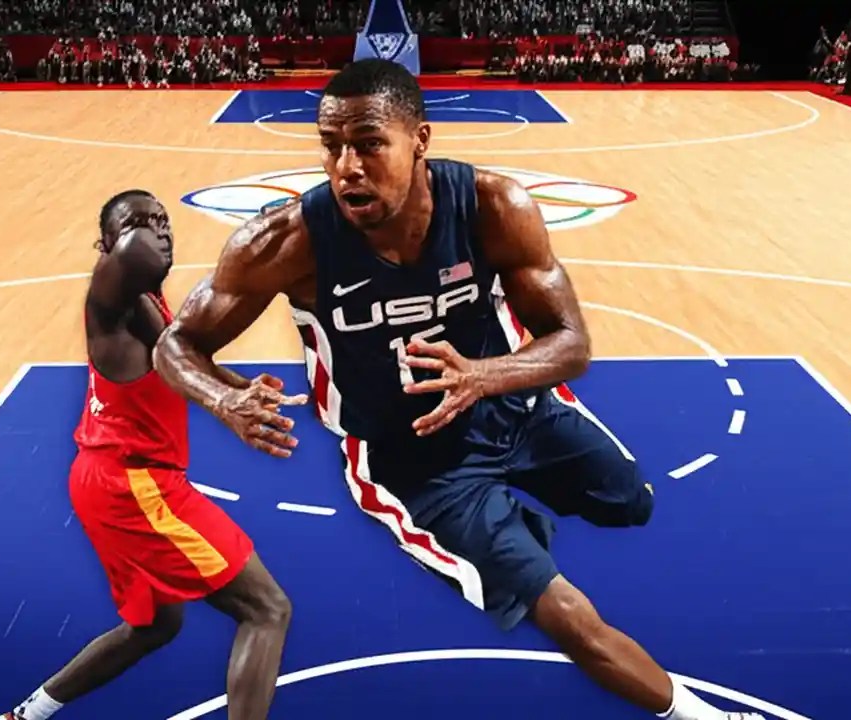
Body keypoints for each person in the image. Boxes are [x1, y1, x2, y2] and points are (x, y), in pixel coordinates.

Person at [154, 59, 762, 720]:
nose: (346, 167)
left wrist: (482, 377)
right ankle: (704, 715)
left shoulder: (494, 209)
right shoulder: (287, 241)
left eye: (368, 143)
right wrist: (224, 399)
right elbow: (176, 343)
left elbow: (570, 342)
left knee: (631, 503)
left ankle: (520, 516)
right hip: (413, 462)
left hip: (516, 409)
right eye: (332, 148)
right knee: (565, 615)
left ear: (421, 139)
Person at [0, 191, 299, 720]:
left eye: (163, 220)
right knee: (267, 609)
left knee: (157, 625)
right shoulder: (109, 295)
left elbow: (183, 362)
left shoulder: (145, 307)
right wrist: (258, 240)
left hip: (104, 480)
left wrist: (241, 390)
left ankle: (27, 715)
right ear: (106, 243)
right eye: (138, 222)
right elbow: (137, 255)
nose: (157, 229)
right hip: (135, 488)